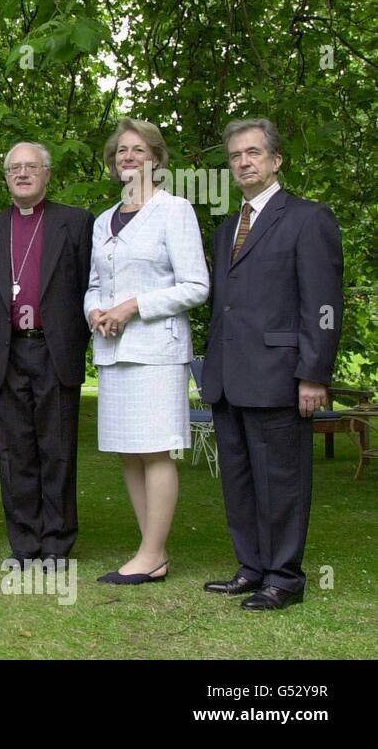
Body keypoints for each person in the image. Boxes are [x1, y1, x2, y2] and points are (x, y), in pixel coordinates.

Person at [201, 118, 343, 610]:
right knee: (238, 479)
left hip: (281, 376)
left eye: (254, 153)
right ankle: (252, 567)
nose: (243, 162)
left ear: (276, 160)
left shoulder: (308, 218)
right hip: (228, 376)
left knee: (281, 480)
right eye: (236, 155)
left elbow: (323, 304)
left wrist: (314, 374)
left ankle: (284, 578)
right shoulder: (226, 230)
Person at [85, 118, 209, 585]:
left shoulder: (174, 211)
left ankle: (152, 553)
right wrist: (95, 311)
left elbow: (197, 286)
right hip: (113, 351)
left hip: (157, 350)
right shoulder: (103, 220)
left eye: (138, 150)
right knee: (129, 452)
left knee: (156, 451)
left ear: (156, 159)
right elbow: (95, 284)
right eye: (121, 151)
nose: (128, 157)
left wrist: (135, 306)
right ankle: (149, 550)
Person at [0, 142, 93, 569]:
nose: (22, 174)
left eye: (31, 167)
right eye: (14, 168)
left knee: (56, 449)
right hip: (9, 352)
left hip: (55, 350)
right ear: (5, 177)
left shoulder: (76, 224)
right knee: (15, 452)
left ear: (47, 173)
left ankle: (57, 543)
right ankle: (24, 543)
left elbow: (86, 286)